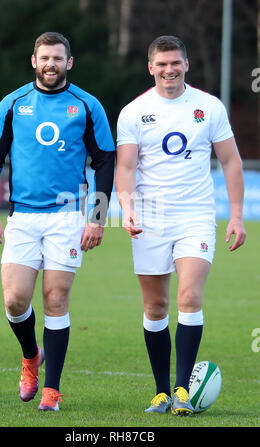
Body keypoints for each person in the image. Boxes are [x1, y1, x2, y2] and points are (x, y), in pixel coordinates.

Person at [0, 32, 115, 411]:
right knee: (14, 300)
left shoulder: (87, 106)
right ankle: (30, 355)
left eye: (58, 58)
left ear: (69, 62)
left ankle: (52, 390)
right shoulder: (13, 103)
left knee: (56, 299)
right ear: (34, 61)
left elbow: (105, 161)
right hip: (22, 217)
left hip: (67, 217)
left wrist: (98, 218)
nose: (51, 64)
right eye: (45, 58)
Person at [115, 35, 246, 416]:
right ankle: (160, 393)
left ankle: (182, 391)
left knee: (189, 296)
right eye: (161, 64)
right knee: (155, 306)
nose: (169, 70)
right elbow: (124, 168)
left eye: (175, 63)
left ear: (186, 65)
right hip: (150, 217)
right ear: (150, 68)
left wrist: (236, 215)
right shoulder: (133, 112)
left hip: (195, 216)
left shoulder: (208, 107)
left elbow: (231, 161)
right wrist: (126, 207)